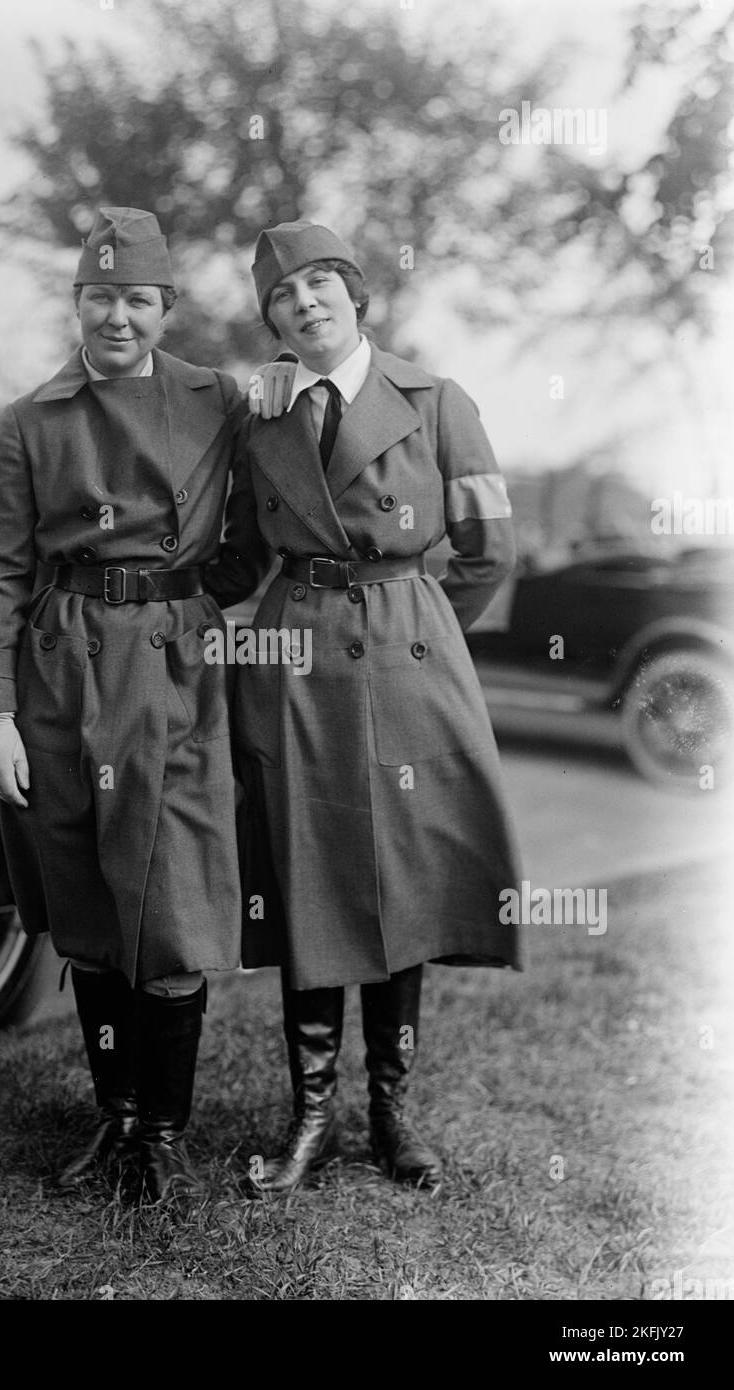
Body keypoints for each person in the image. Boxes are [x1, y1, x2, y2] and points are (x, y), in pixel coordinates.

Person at [0, 207, 266, 1202]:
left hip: (176, 672)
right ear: (77, 302)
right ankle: (118, 1117)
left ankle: (162, 1135)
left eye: (138, 299)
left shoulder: (217, 398)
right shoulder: (30, 419)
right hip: (65, 672)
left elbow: (260, 521)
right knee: (89, 903)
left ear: (166, 307)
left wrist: (196, 603)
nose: (118, 317)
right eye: (101, 297)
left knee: (170, 898)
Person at [227, 221, 525, 1194]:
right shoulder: (261, 412)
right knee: (305, 871)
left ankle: (392, 1109)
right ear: (270, 318)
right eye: (282, 295)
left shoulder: (436, 400)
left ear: (356, 298)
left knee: (403, 879)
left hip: (405, 649)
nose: (303, 302)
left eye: (320, 284)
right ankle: (310, 1115)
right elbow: (234, 549)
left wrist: (424, 630)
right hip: (297, 656)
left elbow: (486, 547)